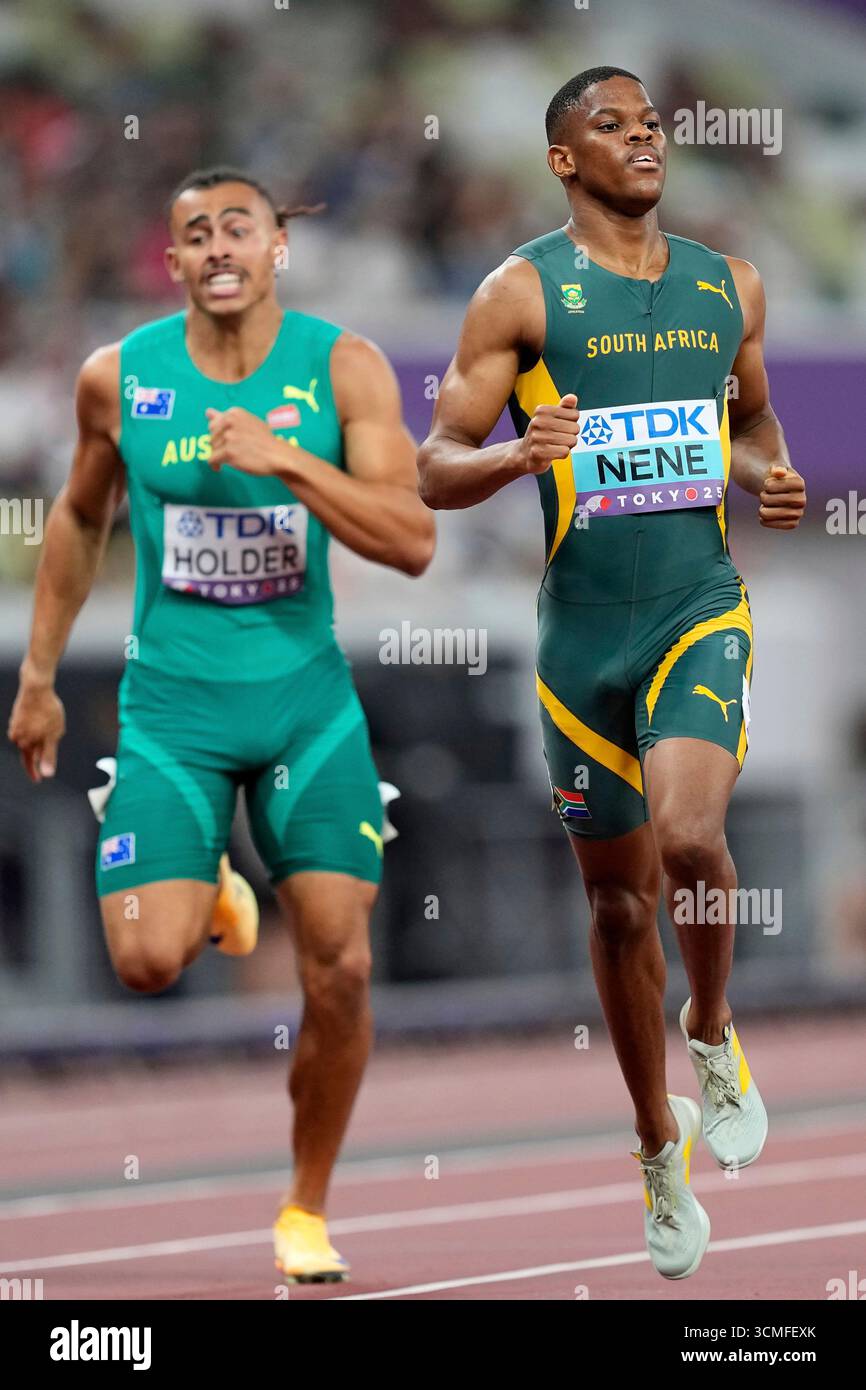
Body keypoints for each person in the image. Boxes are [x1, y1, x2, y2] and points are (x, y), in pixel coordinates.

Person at [8, 166, 435, 1284]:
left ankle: (305, 1207)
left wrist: (288, 458)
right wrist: (40, 672)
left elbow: (410, 539)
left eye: (235, 226)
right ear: (175, 260)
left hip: (305, 706)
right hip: (172, 713)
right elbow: (75, 515)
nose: (215, 246)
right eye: (192, 232)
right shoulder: (120, 377)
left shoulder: (342, 366)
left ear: (274, 249)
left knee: (339, 967)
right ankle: (216, 890)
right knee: (149, 960)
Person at [417, 68, 806, 1279]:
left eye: (650, 122)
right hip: (579, 639)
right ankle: (652, 1146)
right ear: (559, 160)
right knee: (616, 904)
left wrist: (768, 474)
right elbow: (433, 464)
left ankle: (713, 1025)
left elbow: (749, 419)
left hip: (694, 604)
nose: (641, 136)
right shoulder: (518, 291)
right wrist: (511, 457)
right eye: (609, 124)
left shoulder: (726, 282)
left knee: (691, 842)